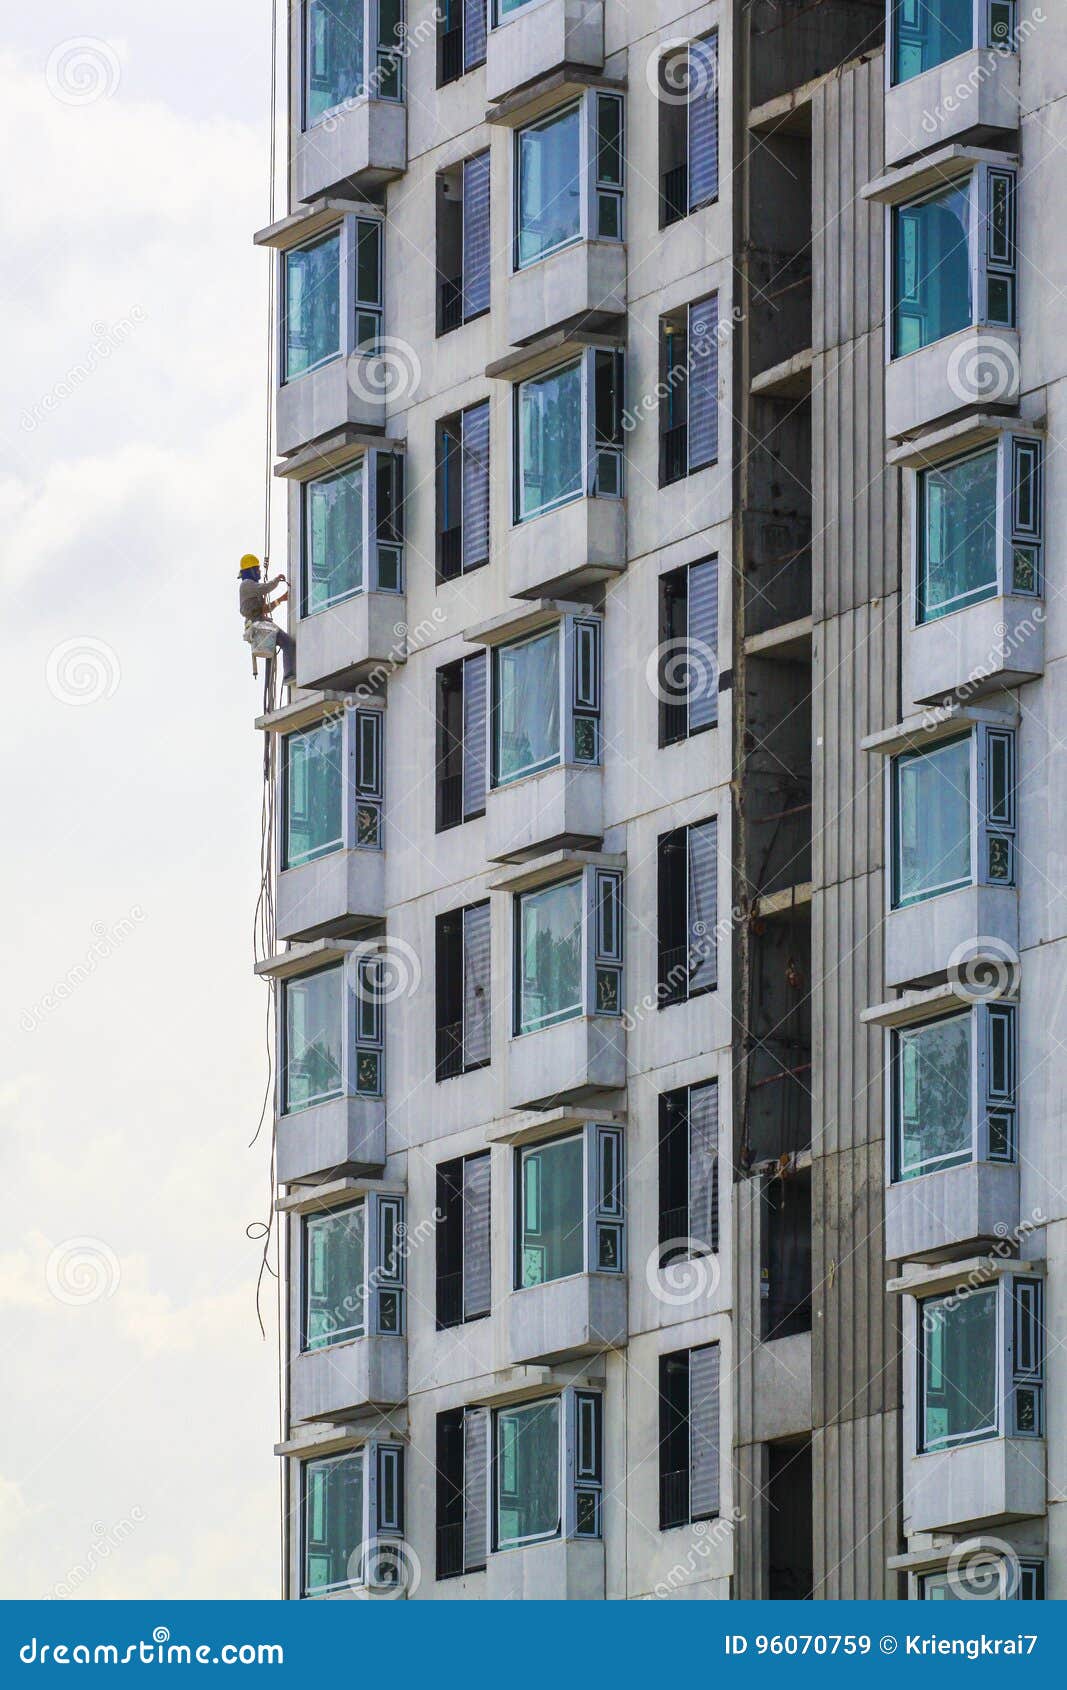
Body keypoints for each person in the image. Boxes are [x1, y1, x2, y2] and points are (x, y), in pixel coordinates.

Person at [238, 554, 295, 689]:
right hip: (258, 625)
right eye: (257, 569)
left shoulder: (252, 589)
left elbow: (263, 609)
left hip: (260, 624)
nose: (259, 572)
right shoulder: (247, 585)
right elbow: (266, 588)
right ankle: (289, 675)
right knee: (288, 643)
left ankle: (287, 675)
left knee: (282, 645)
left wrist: (280, 599)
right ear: (250, 570)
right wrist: (277, 580)